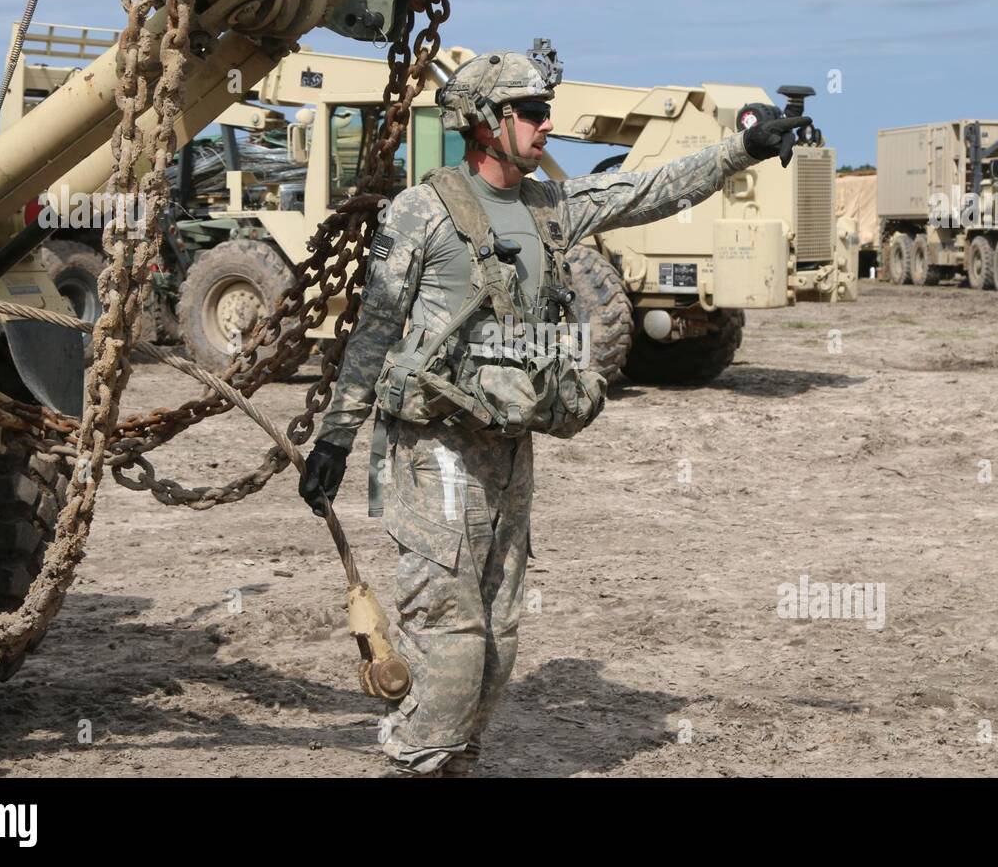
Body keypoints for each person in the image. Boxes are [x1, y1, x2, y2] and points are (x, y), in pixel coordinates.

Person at [299, 40, 809, 776]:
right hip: (433, 448)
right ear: (483, 122)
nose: (546, 126)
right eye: (531, 113)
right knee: (450, 629)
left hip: (509, 444)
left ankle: (455, 762)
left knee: (501, 633)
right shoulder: (424, 212)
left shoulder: (550, 207)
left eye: (546, 112)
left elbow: (649, 189)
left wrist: (744, 149)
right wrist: (336, 438)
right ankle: (417, 760)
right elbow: (374, 331)